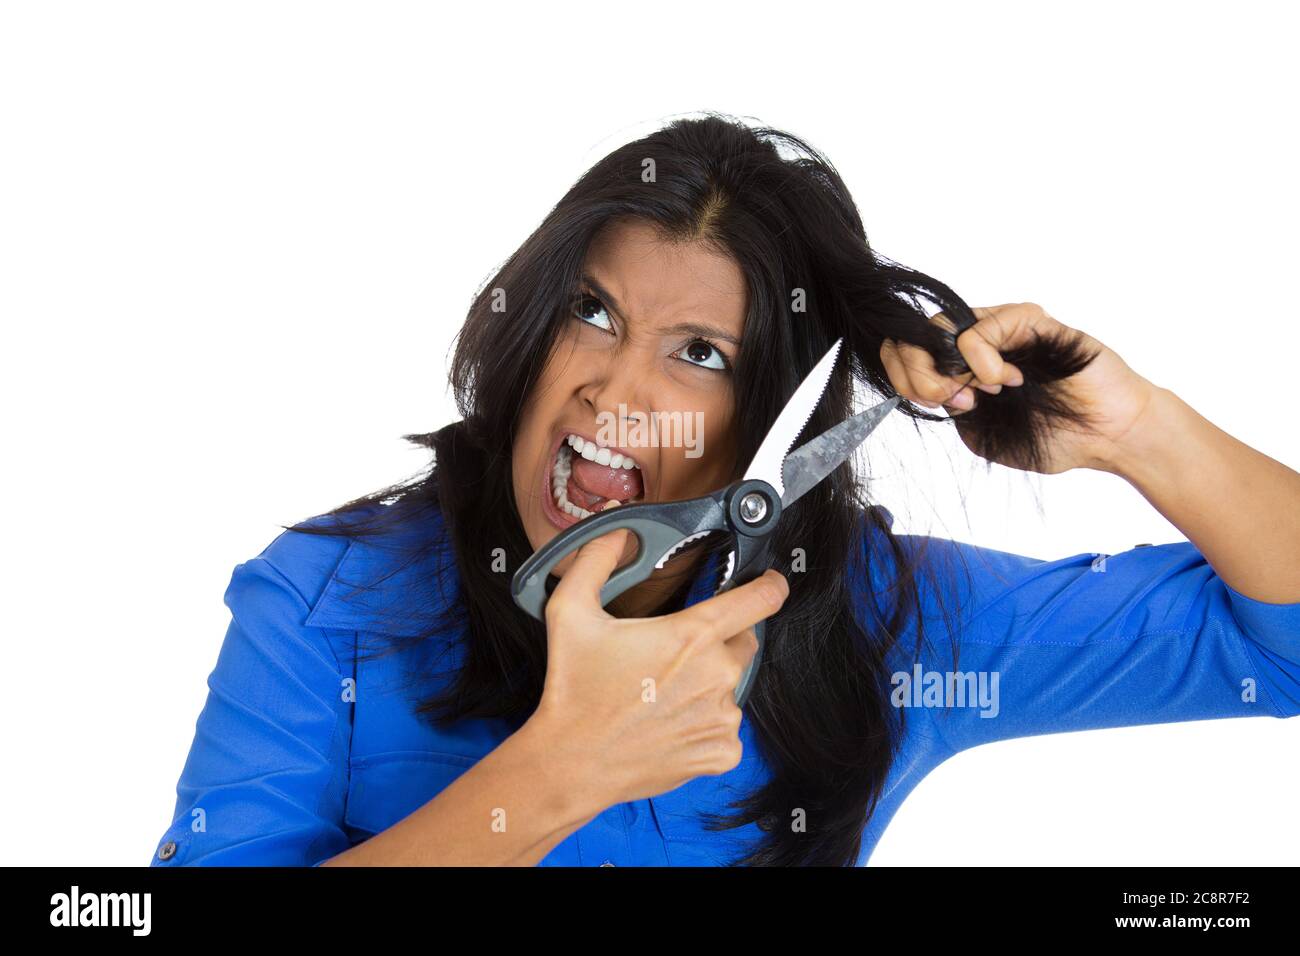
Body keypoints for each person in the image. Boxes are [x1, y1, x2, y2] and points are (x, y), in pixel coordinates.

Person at [150, 114, 1300, 867]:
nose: (612, 385)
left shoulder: (897, 625)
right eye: (589, 311)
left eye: (700, 353)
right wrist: (559, 767)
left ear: (772, 424)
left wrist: (1142, 432)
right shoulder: (325, 597)